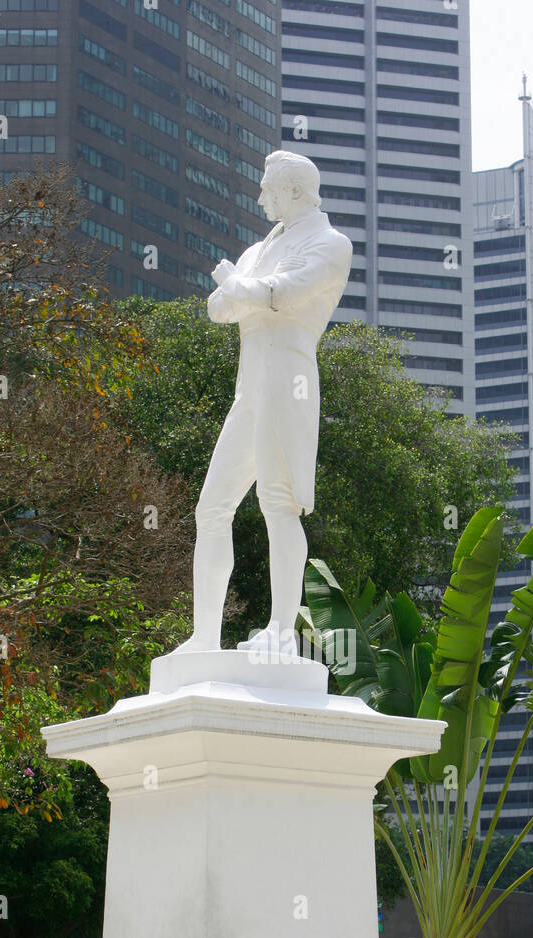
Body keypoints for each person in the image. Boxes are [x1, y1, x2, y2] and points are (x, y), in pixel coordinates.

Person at [174, 149, 352, 660]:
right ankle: (205, 637)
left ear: (295, 190)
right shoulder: (259, 248)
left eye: (268, 187)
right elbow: (219, 309)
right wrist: (242, 287)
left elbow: (279, 293)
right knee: (212, 508)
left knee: (279, 504)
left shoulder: (329, 243)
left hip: (288, 377)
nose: (259, 196)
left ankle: (279, 629)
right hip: (249, 385)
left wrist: (237, 284)